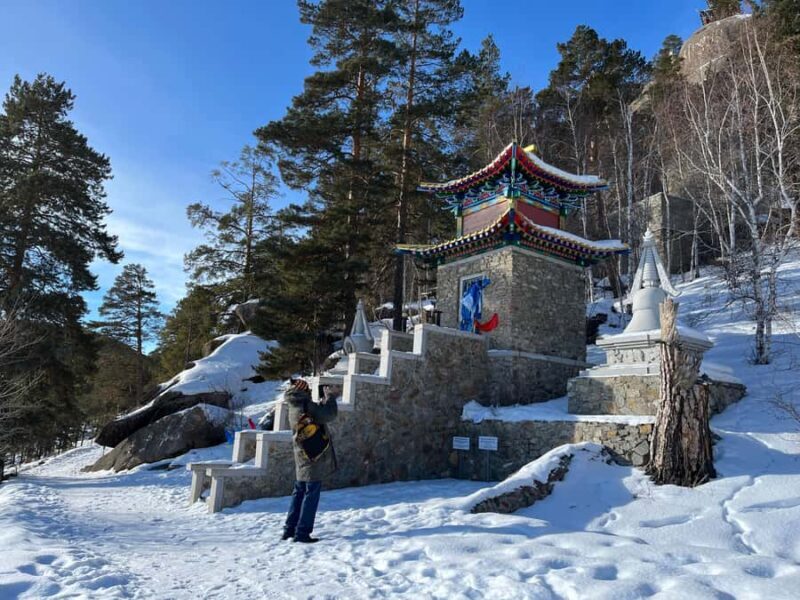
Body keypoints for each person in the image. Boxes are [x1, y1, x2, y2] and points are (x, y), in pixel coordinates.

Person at [282, 378, 339, 543]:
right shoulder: (305, 404)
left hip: (300, 452)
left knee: (299, 490)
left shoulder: (294, 404)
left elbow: (314, 417)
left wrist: (320, 403)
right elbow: (329, 414)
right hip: (311, 453)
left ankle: (289, 530)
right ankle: (302, 532)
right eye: (307, 389)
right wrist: (330, 397)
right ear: (303, 390)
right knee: (311, 492)